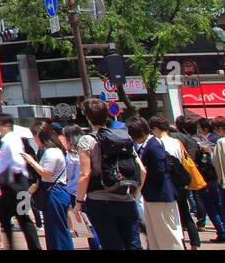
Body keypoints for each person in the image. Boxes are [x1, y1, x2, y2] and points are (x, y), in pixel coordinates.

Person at [75, 97, 144, 250]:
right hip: (126, 198)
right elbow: (143, 171)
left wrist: (78, 203)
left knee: (111, 245)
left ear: (87, 117)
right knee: (133, 245)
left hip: (99, 200)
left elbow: (84, 174)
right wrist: (134, 195)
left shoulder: (87, 140)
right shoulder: (123, 137)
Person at [128, 116, 180, 250]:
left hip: (160, 196)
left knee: (167, 235)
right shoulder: (149, 144)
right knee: (156, 235)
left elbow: (159, 171)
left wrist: (142, 175)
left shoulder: (153, 145)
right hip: (153, 196)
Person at [21, 124, 73, 251]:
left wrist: (31, 161)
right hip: (56, 191)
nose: (34, 139)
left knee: (56, 229)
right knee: (56, 228)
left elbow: (46, 173)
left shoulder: (51, 152)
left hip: (54, 192)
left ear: (39, 135)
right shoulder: (54, 150)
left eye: (34, 136)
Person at [0, 114, 40, 250]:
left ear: (7, 126)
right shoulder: (13, 139)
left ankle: (27, 247)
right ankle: (31, 247)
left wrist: (9, 179)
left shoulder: (9, 140)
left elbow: (16, 162)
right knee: (16, 216)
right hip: (18, 183)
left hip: (15, 183)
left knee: (19, 217)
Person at [150, 116, 198, 250]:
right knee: (186, 213)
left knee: (174, 218)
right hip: (182, 181)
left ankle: (179, 244)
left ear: (155, 128)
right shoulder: (177, 142)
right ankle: (194, 243)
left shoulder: (157, 143)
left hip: (169, 183)